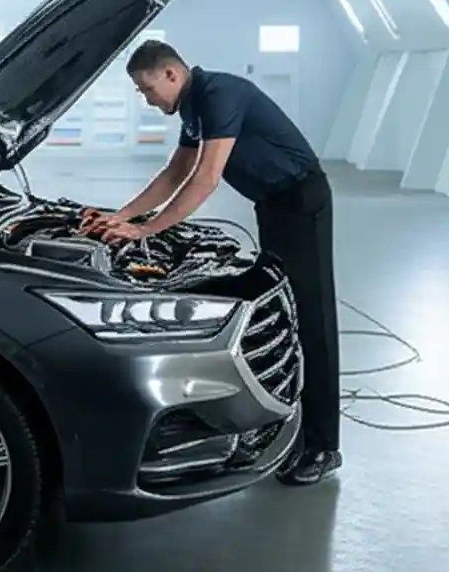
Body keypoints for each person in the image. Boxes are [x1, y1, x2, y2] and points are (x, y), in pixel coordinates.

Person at [80, 40, 342, 485]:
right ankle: (287, 426)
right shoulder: (193, 108)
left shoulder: (219, 95)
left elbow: (205, 178)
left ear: (170, 75)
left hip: (301, 201)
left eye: (146, 89)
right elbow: (174, 173)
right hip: (273, 205)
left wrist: (147, 230)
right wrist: (122, 217)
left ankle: (324, 447)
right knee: (283, 318)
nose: (146, 99)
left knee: (312, 322)